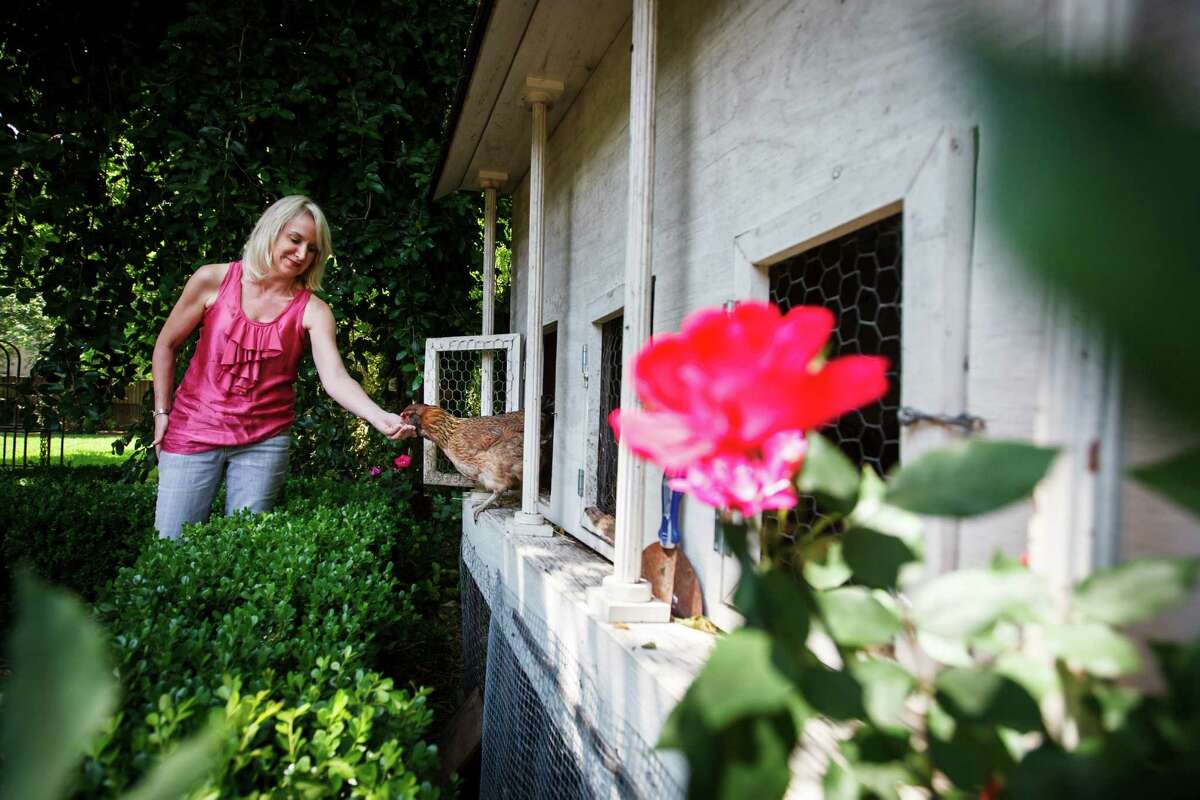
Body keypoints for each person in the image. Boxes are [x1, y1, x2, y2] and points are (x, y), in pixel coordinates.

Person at [151, 195, 408, 539]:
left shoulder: (313, 311)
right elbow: (166, 344)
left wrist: (379, 417)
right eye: (295, 240)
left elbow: (334, 378)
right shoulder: (212, 279)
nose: (302, 254)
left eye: (313, 249)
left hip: (263, 441)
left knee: (248, 548)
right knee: (172, 542)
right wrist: (161, 411)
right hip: (194, 428)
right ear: (271, 231)